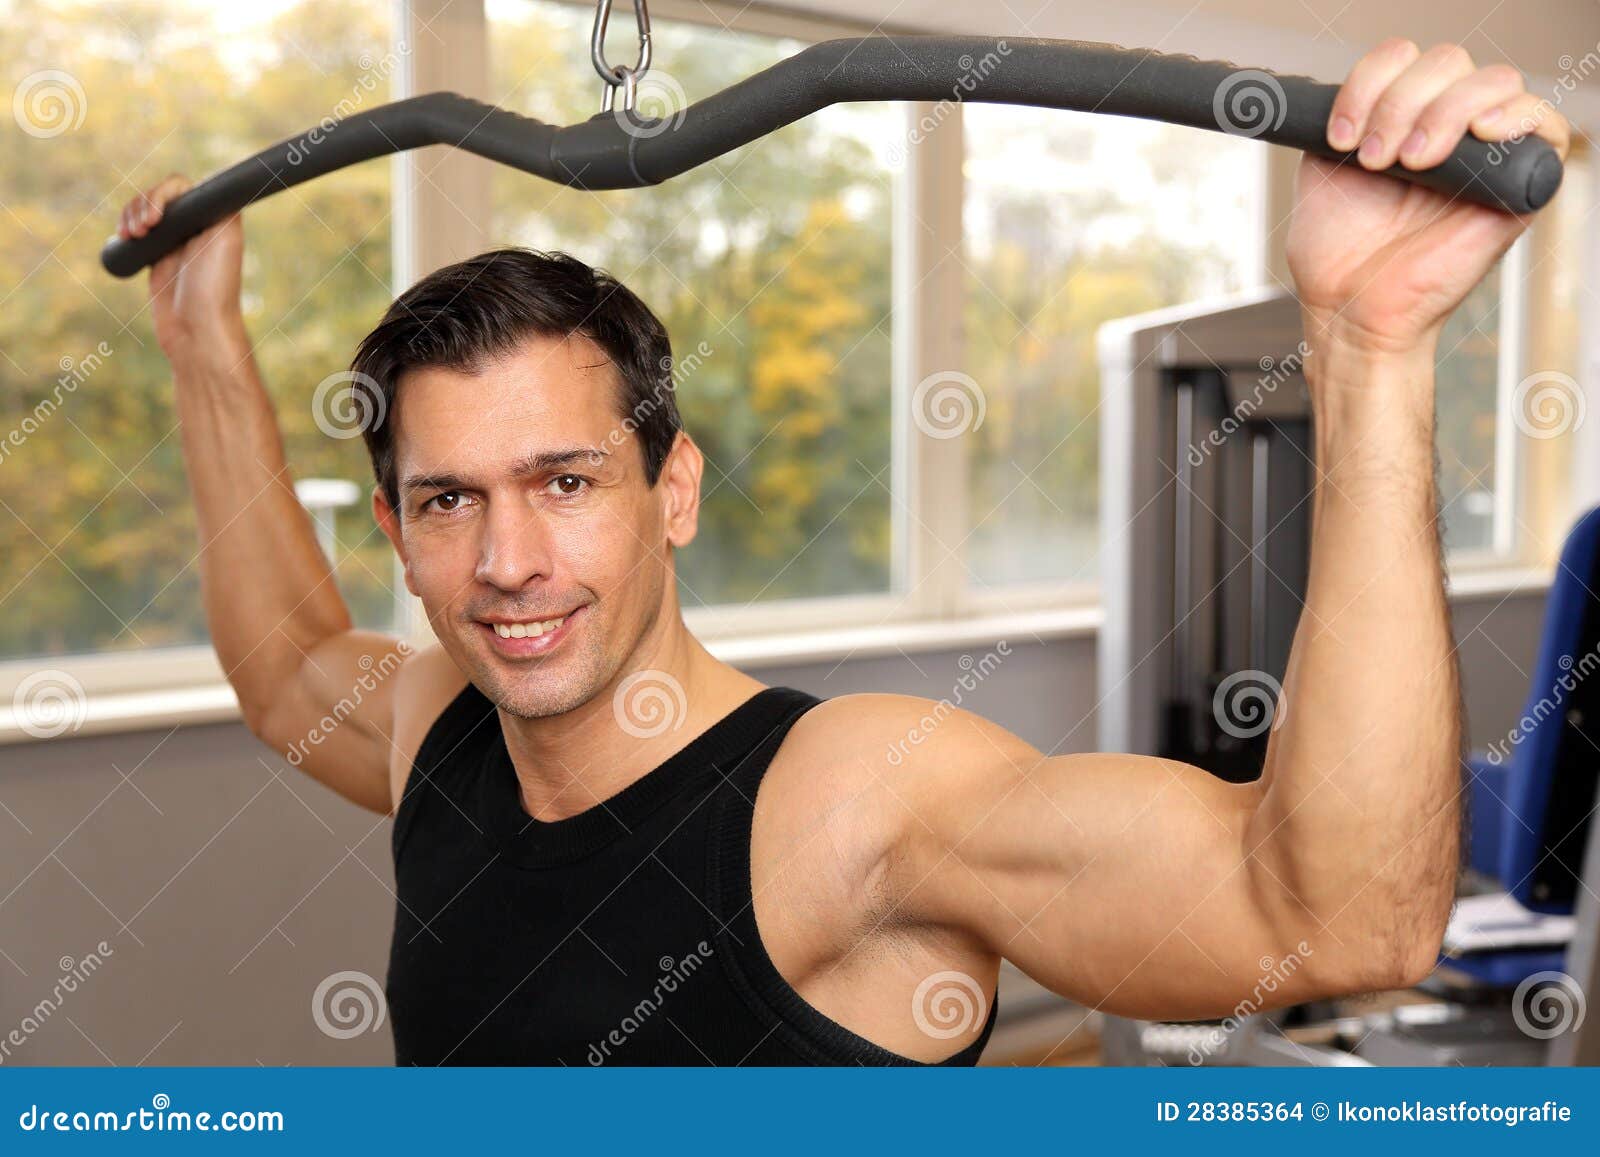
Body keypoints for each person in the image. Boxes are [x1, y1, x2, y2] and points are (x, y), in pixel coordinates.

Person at [115, 38, 1569, 1065]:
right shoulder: (443, 726)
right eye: (449, 501)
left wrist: (1370, 350)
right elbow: (288, 662)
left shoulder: (853, 803)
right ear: (401, 533)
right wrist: (200, 342)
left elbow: (1337, 923)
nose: (509, 558)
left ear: (671, 491)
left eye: (566, 479)